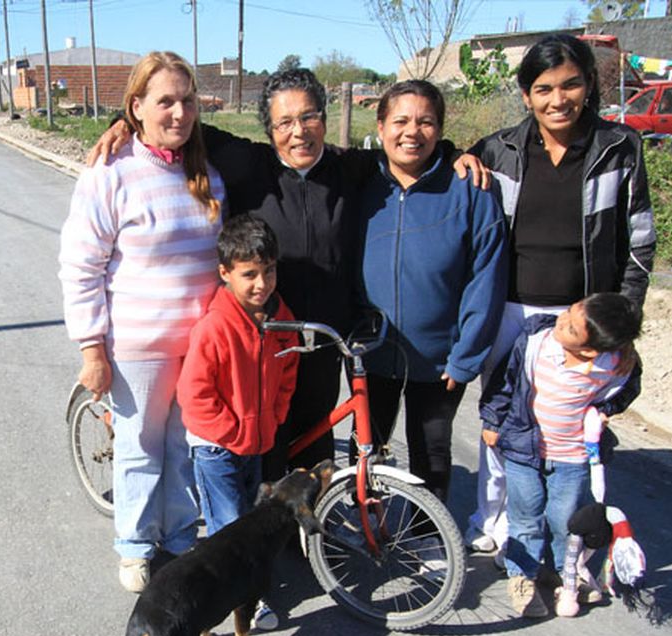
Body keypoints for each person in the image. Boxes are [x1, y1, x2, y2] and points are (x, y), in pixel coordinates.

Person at [90, 68, 489, 483]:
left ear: (325, 118)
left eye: (309, 117)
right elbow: (179, 122)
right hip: (260, 338)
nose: (298, 132)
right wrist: (122, 122)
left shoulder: (350, 168)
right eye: (284, 122)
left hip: (324, 336)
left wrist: (451, 151)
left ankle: (310, 534)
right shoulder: (248, 163)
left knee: (315, 434)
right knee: (261, 439)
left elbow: (407, 146)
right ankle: (255, 524)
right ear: (269, 129)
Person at [464, 34, 656, 560]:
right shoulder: (498, 148)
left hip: (580, 317)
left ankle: (572, 532)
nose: (558, 99)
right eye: (544, 88)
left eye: (570, 84)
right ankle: (494, 519)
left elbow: (639, 241)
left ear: (589, 85)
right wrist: (461, 160)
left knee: (572, 427)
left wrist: (623, 322)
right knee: (504, 420)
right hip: (510, 309)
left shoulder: (619, 149)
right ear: (526, 94)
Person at [58, 51, 225, 593]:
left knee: (184, 448)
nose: (179, 112)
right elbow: (81, 263)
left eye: (188, 100)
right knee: (139, 449)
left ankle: (178, 537)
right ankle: (134, 545)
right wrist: (91, 348)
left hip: (199, 345)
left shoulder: (207, 172)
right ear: (136, 107)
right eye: (165, 102)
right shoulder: (111, 171)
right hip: (138, 347)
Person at [354, 80, 507, 507]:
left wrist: (466, 356)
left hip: (441, 357)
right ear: (380, 126)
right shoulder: (360, 183)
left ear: (440, 129)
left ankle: (425, 539)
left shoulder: (471, 190)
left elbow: (486, 278)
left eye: (426, 122)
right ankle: (366, 523)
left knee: (431, 452)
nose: (412, 132)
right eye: (400, 120)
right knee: (368, 445)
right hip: (372, 349)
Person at [479, 292, 643, 617]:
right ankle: (521, 575)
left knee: (563, 519)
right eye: (568, 313)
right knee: (525, 516)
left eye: (570, 327)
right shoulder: (536, 340)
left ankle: (560, 574)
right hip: (524, 449)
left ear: (590, 349)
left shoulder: (614, 366)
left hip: (572, 455)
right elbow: (505, 381)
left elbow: (628, 389)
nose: (561, 321)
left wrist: (604, 409)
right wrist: (492, 420)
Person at [176, 213, 299, 630]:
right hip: (217, 448)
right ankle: (233, 604)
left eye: (269, 271)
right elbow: (194, 395)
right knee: (230, 530)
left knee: (245, 521)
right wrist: (235, 432)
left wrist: (275, 417)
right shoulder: (215, 328)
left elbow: (287, 373)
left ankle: (235, 593)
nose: (261, 284)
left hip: (256, 443)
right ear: (225, 272)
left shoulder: (281, 320)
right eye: (249, 274)